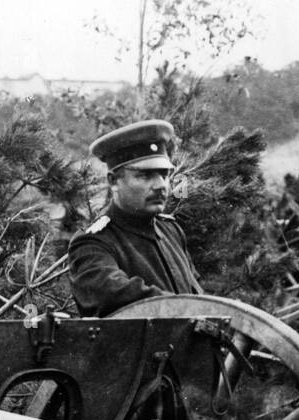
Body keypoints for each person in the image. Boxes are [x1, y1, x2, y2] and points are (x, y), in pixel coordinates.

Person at [68, 119, 202, 317]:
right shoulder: (93, 243)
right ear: (113, 181)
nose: (161, 185)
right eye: (145, 176)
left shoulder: (172, 231)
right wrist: (189, 309)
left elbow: (196, 295)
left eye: (164, 175)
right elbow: (114, 296)